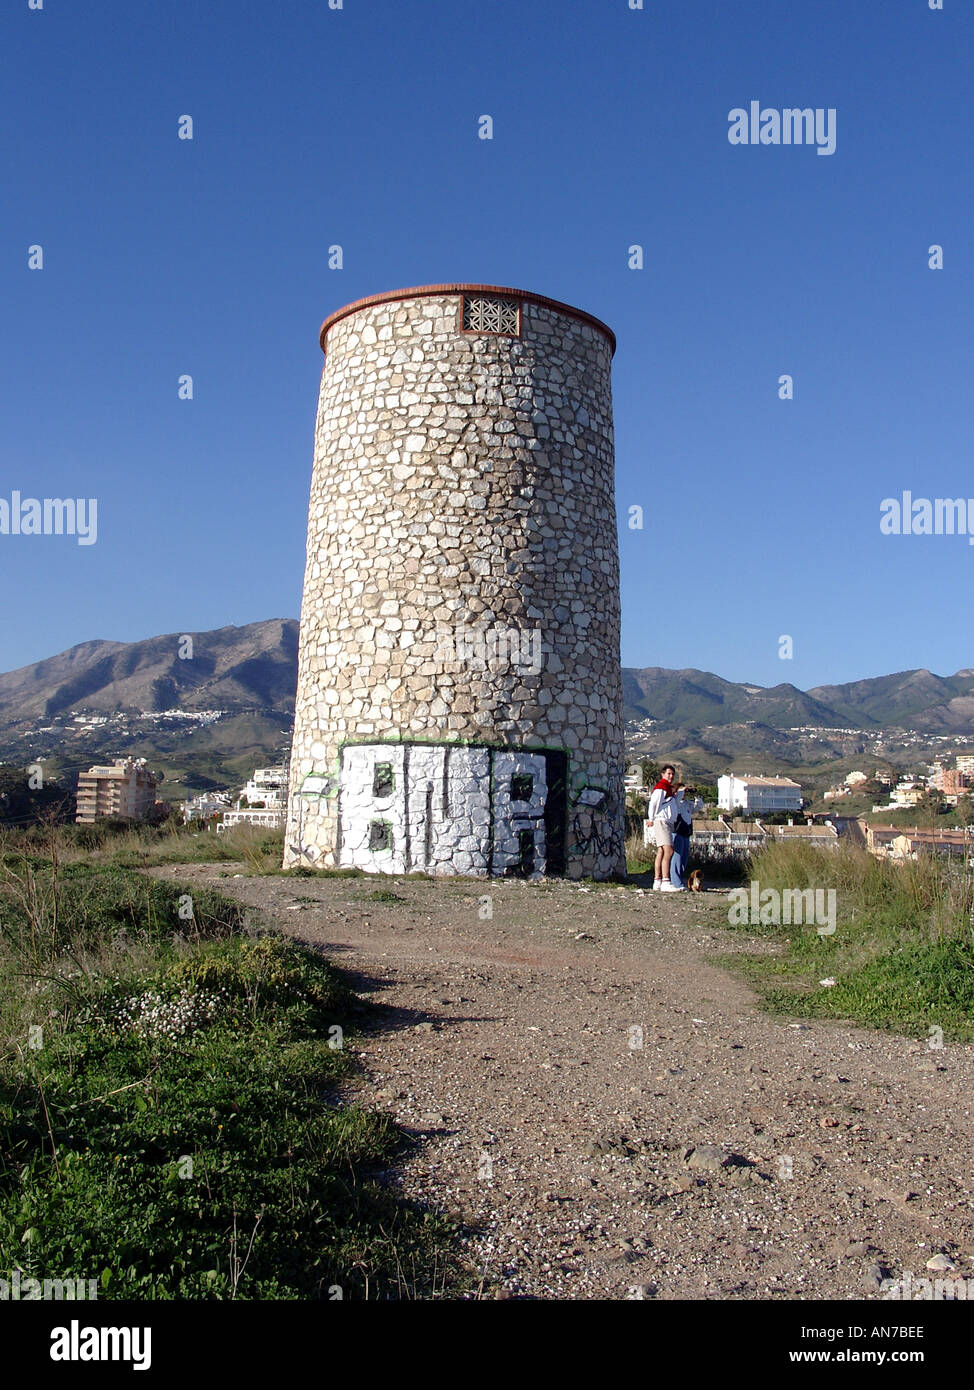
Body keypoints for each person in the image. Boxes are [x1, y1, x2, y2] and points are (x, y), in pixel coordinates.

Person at [646, 764, 680, 892]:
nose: (671, 776)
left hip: (667, 822)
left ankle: (657, 880)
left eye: (672, 774)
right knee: (669, 850)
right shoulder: (662, 787)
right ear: (663, 774)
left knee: (661, 851)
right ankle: (666, 881)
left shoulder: (668, 789)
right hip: (662, 821)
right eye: (668, 774)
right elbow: (654, 803)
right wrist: (651, 818)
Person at [669, 783, 696, 890]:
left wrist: (695, 796)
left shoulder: (686, 803)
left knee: (684, 858)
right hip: (678, 832)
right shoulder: (675, 802)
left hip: (686, 833)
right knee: (677, 857)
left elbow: (696, 807)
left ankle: (679, 879)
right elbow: (677, 799)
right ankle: (675, 882)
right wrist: (682, 790)